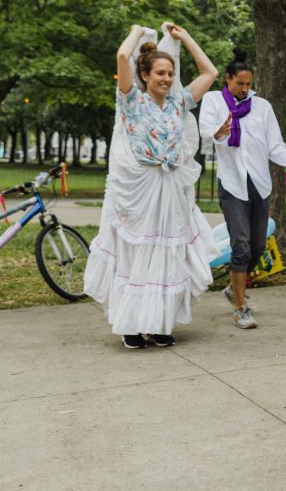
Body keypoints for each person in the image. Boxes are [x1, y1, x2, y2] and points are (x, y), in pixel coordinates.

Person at [84, 24, 218, 349]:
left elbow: (210, 72)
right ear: (144, 75)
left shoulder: (178, 103)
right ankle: (131, 326)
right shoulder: (131, 101)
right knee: (136, 254)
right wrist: (134, 32)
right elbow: (121, 55)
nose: (167, 79)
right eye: (160, 72)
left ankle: (159, 324)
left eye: (170, 73)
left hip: (169, 189)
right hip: (139, 191)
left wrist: (184, 38)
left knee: (166, 253)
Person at [198, 48, 286, 329]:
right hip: (232, 184)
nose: (245, 89)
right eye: (240, 83)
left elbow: (276, 148)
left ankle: (233, 288)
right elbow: (205, 131)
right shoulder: (213, 101)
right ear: (229, 79)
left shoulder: (262, 107)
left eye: (248, 84)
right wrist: (220, 131)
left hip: (259, 184)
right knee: (240, 244)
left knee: (255, 245)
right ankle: (241, 307)